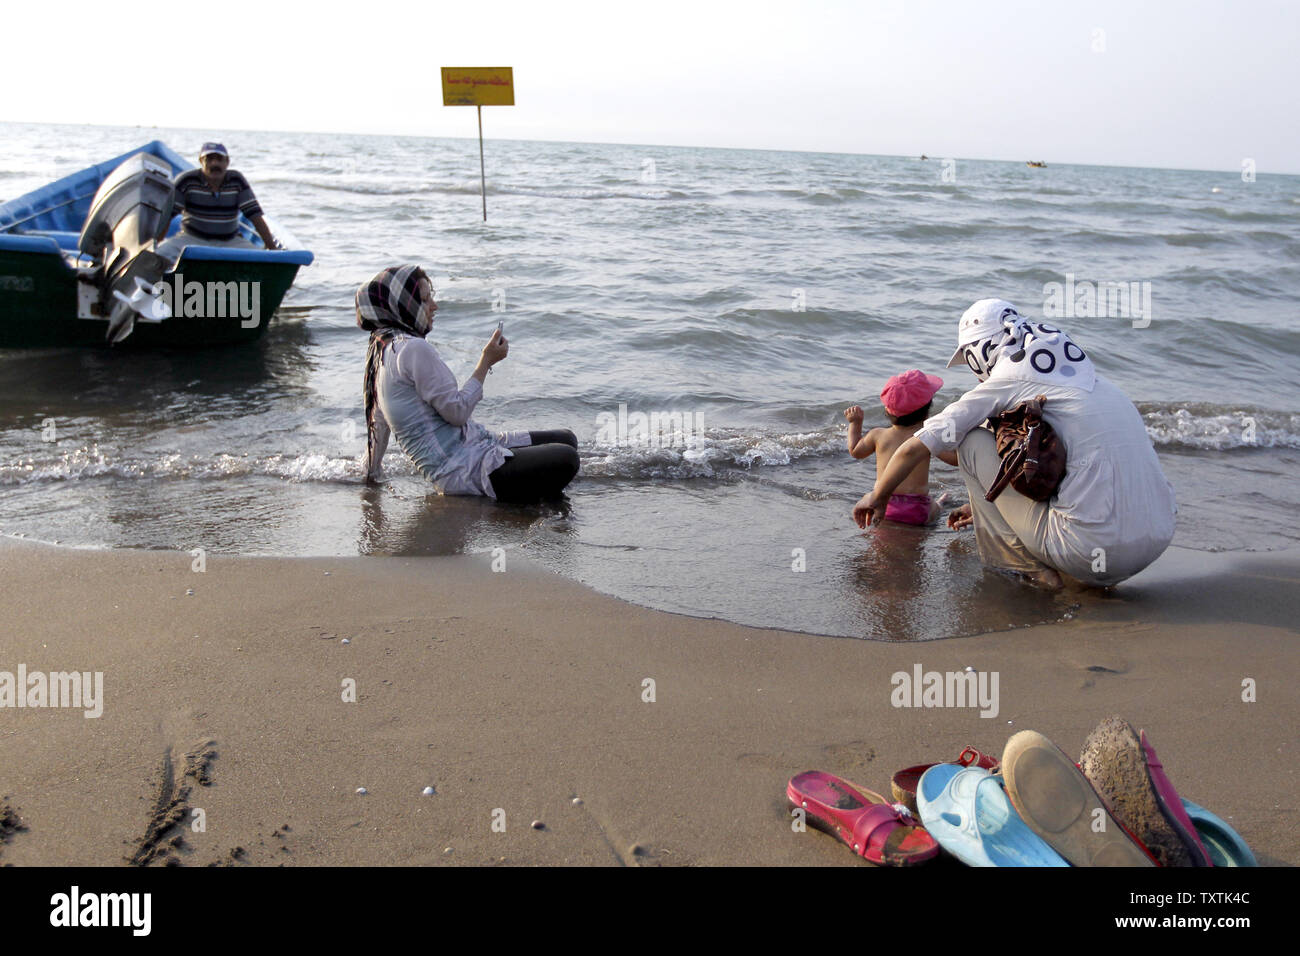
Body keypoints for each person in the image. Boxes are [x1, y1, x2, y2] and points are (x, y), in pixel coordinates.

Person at [852, 298, 1176, 590]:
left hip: (1086, 549)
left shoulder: (1007, 381)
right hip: (1156, 538)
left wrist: (877, 496)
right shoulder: (1092, 383)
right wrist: (986, 506)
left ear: (981, 351)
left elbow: (914, 446)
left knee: (972, 439)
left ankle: (1022, 567)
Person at [357, 264, 579, 503]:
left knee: (567, 439)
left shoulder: (381, 354)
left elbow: (377, 425)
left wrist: (370, 475)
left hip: (477, 446)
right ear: (402, 306)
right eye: (424, 299)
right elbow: (457, 412)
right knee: (567, 457)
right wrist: (486, 361)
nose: (434, 306)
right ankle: (522, 505)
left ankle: (534, 495)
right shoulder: (412, 349)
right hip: (466, 470)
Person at [844, 369, 954, 526]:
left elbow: (855, 451)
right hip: (917, 509)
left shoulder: (877, 435)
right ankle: (940, 504)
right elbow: (953, 459)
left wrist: (855, 423)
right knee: (936, 507)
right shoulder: (926, 437)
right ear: (927, 411)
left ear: (888, 410)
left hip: (883, 503)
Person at [156, 142, 280, 257]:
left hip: (231, 241)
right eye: (209, 159)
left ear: (227, 162)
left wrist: (273, 249)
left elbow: (255, 216)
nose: (215, 164)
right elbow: (168, 215)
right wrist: (156, 243)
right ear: (201, 161)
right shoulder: (187, 180)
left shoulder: (236, 180)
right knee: (160, 253)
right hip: (191, 239)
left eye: (219, 159)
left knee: (260, 258)